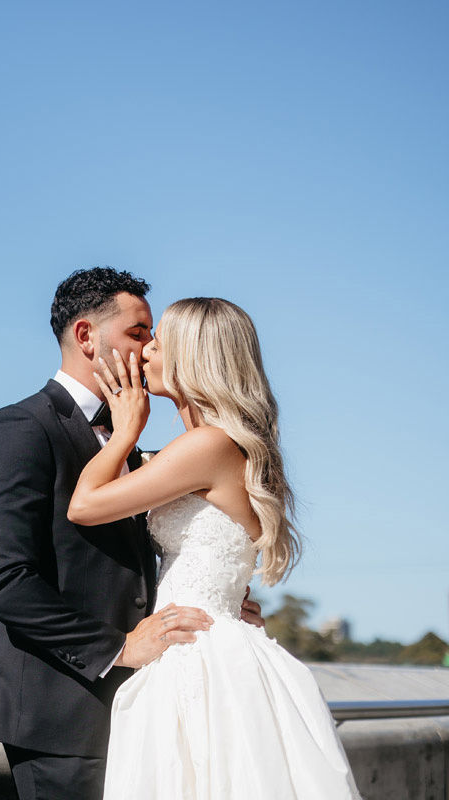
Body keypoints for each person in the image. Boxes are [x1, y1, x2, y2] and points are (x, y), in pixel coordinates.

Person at [0, 268, 262, 800]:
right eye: (138, 332)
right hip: (63, 716)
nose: (150, 347)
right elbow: (4, 581)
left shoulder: (140, 444)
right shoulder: (22, 429)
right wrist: (119, 648)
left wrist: (219, 604)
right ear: (86, 336)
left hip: (149, 704)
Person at [68, 297, 360, 798]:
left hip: (197, 654)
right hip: (214, 642)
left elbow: (84, 506)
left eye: (159, 343)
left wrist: (125, 432)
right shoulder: (224, 446)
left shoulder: (208, 446)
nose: (145, 352)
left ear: (192, 358)